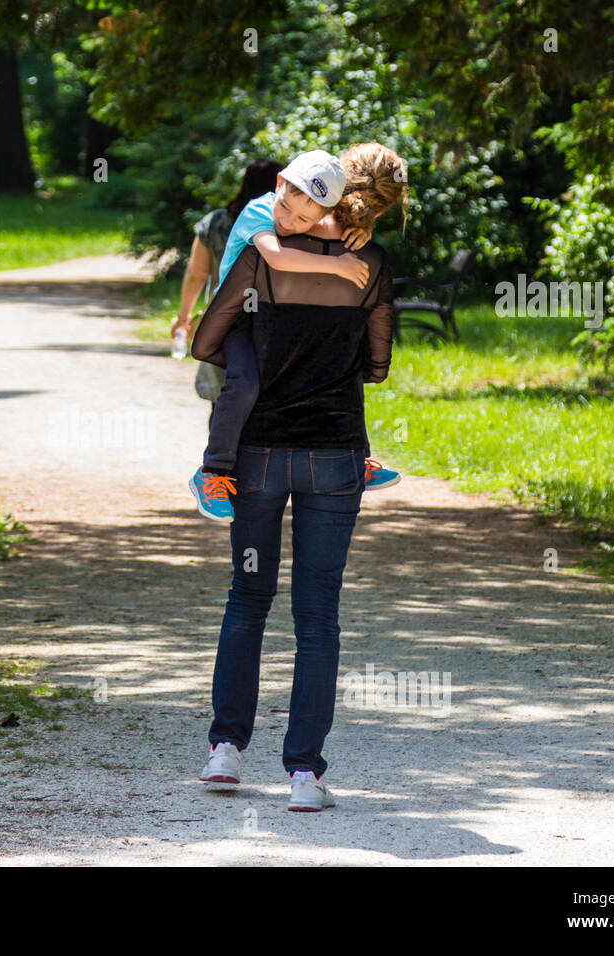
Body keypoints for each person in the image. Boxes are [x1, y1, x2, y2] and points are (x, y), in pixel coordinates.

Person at [189, 142, 408, 811]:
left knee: (247, 600)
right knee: (319, 618)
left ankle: (226, 750)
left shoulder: (260, 251)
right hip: (336, 460)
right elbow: (378, 366)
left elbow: (206, 344)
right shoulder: (369, 263)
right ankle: (305, 776)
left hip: (256, 457)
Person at [183, 149, 400, 523]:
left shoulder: (309, 210)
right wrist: (336, 266)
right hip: (239, 319)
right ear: (279, 183)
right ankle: (212, 471)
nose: (289, 222)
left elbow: (341, 219)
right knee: (244, 384)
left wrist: (361, 227)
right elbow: (278, 258)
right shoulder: (260, 210)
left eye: (304, 219)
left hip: (269, 319)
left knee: (339, 368)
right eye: (286, 209)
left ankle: (360, 459)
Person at [172, 159, 283, 419]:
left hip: (224, 323)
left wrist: (184, 318)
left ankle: (222, 458)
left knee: (224, 404)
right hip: (273, 324)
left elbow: (196, 274)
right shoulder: (291, 225)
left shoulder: (218, 223)